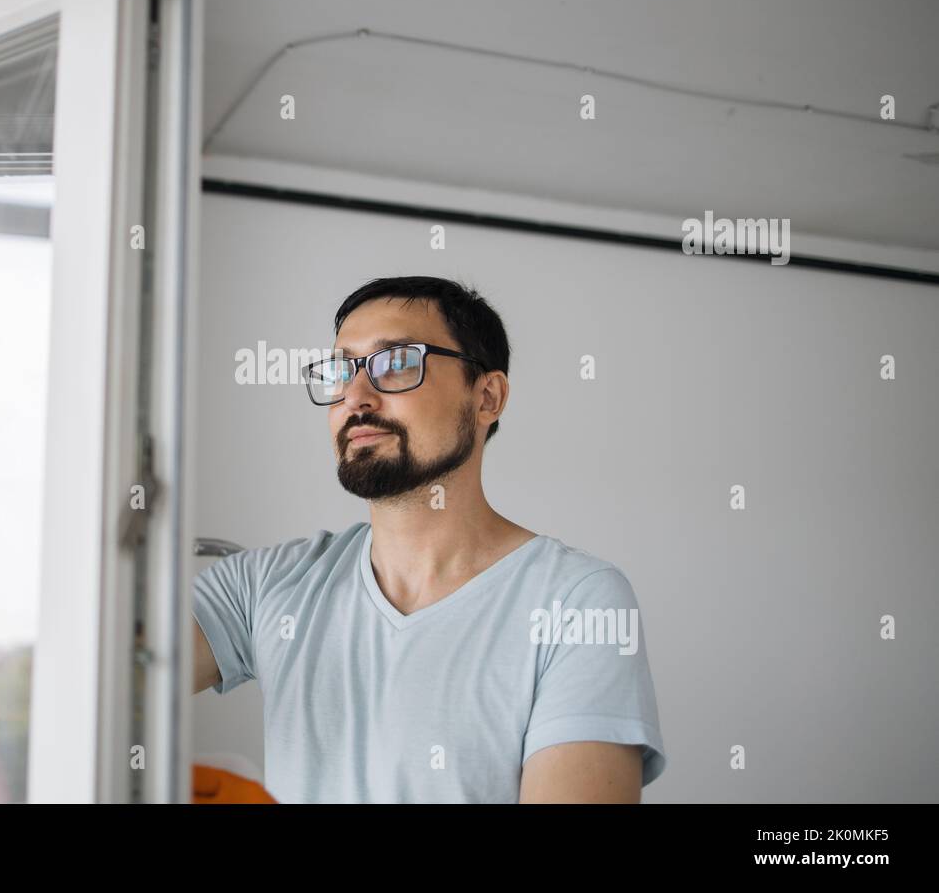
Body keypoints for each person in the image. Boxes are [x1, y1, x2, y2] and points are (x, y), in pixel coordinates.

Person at [192, 275, 666, 803]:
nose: (356, 397)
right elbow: (99, 674)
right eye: (340, 370)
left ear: (487, 395)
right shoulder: (262, 585)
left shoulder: (579, 603)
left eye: (395, 364)